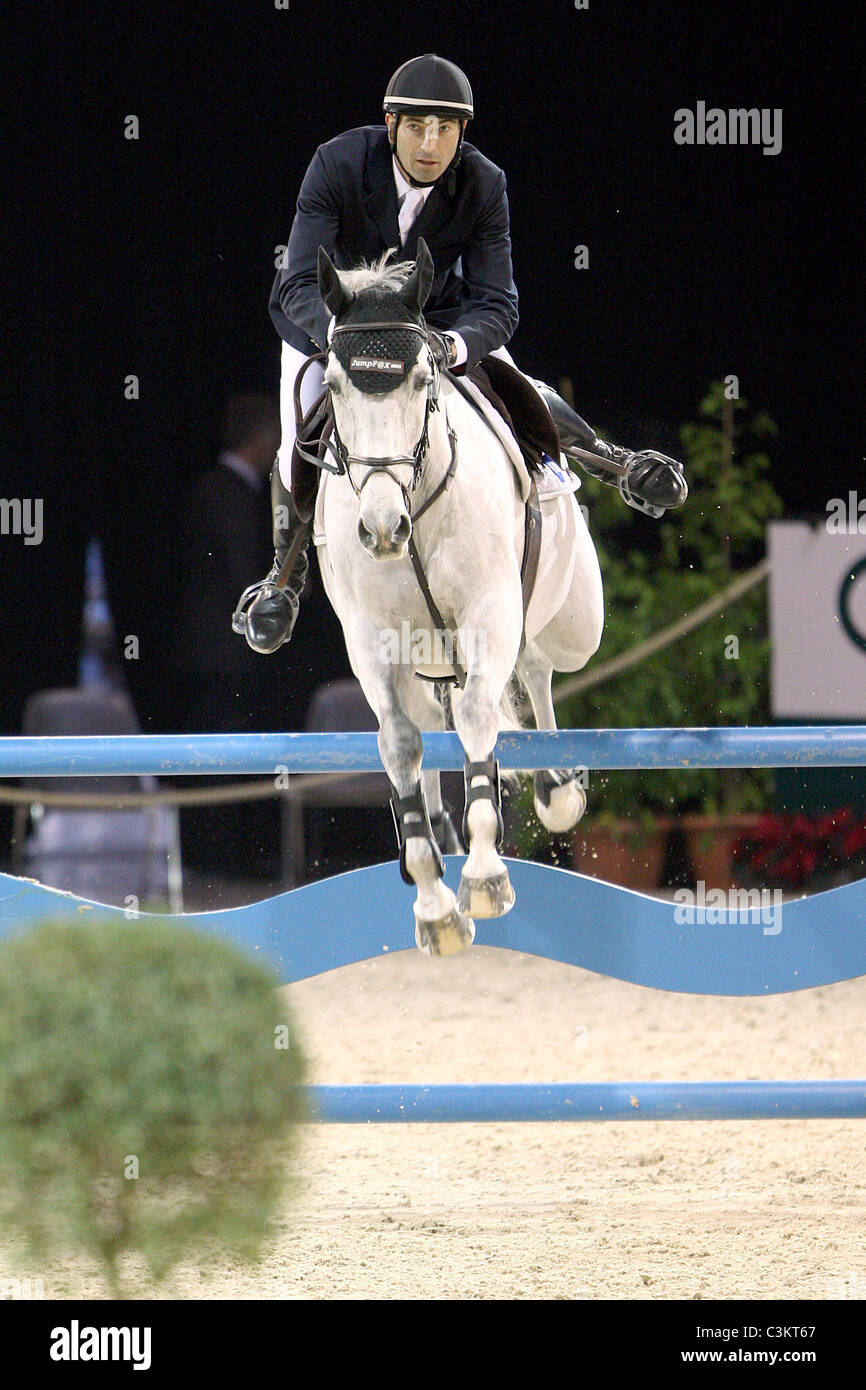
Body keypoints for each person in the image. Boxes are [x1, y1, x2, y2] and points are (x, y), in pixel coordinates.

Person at [236, 54, 688, 655]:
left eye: (445, 129)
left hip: (435, 325)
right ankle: (285, 576)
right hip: (331, 327)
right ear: (391, 124)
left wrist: (454, 344)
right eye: (418, 126)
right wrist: (342, 337)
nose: (431, 144)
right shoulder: (337, 164)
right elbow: (296, 282)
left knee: (508, 382)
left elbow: (498, 303)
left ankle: (612, 462)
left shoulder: (483, 182)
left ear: (461, 133)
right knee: (302, 429)